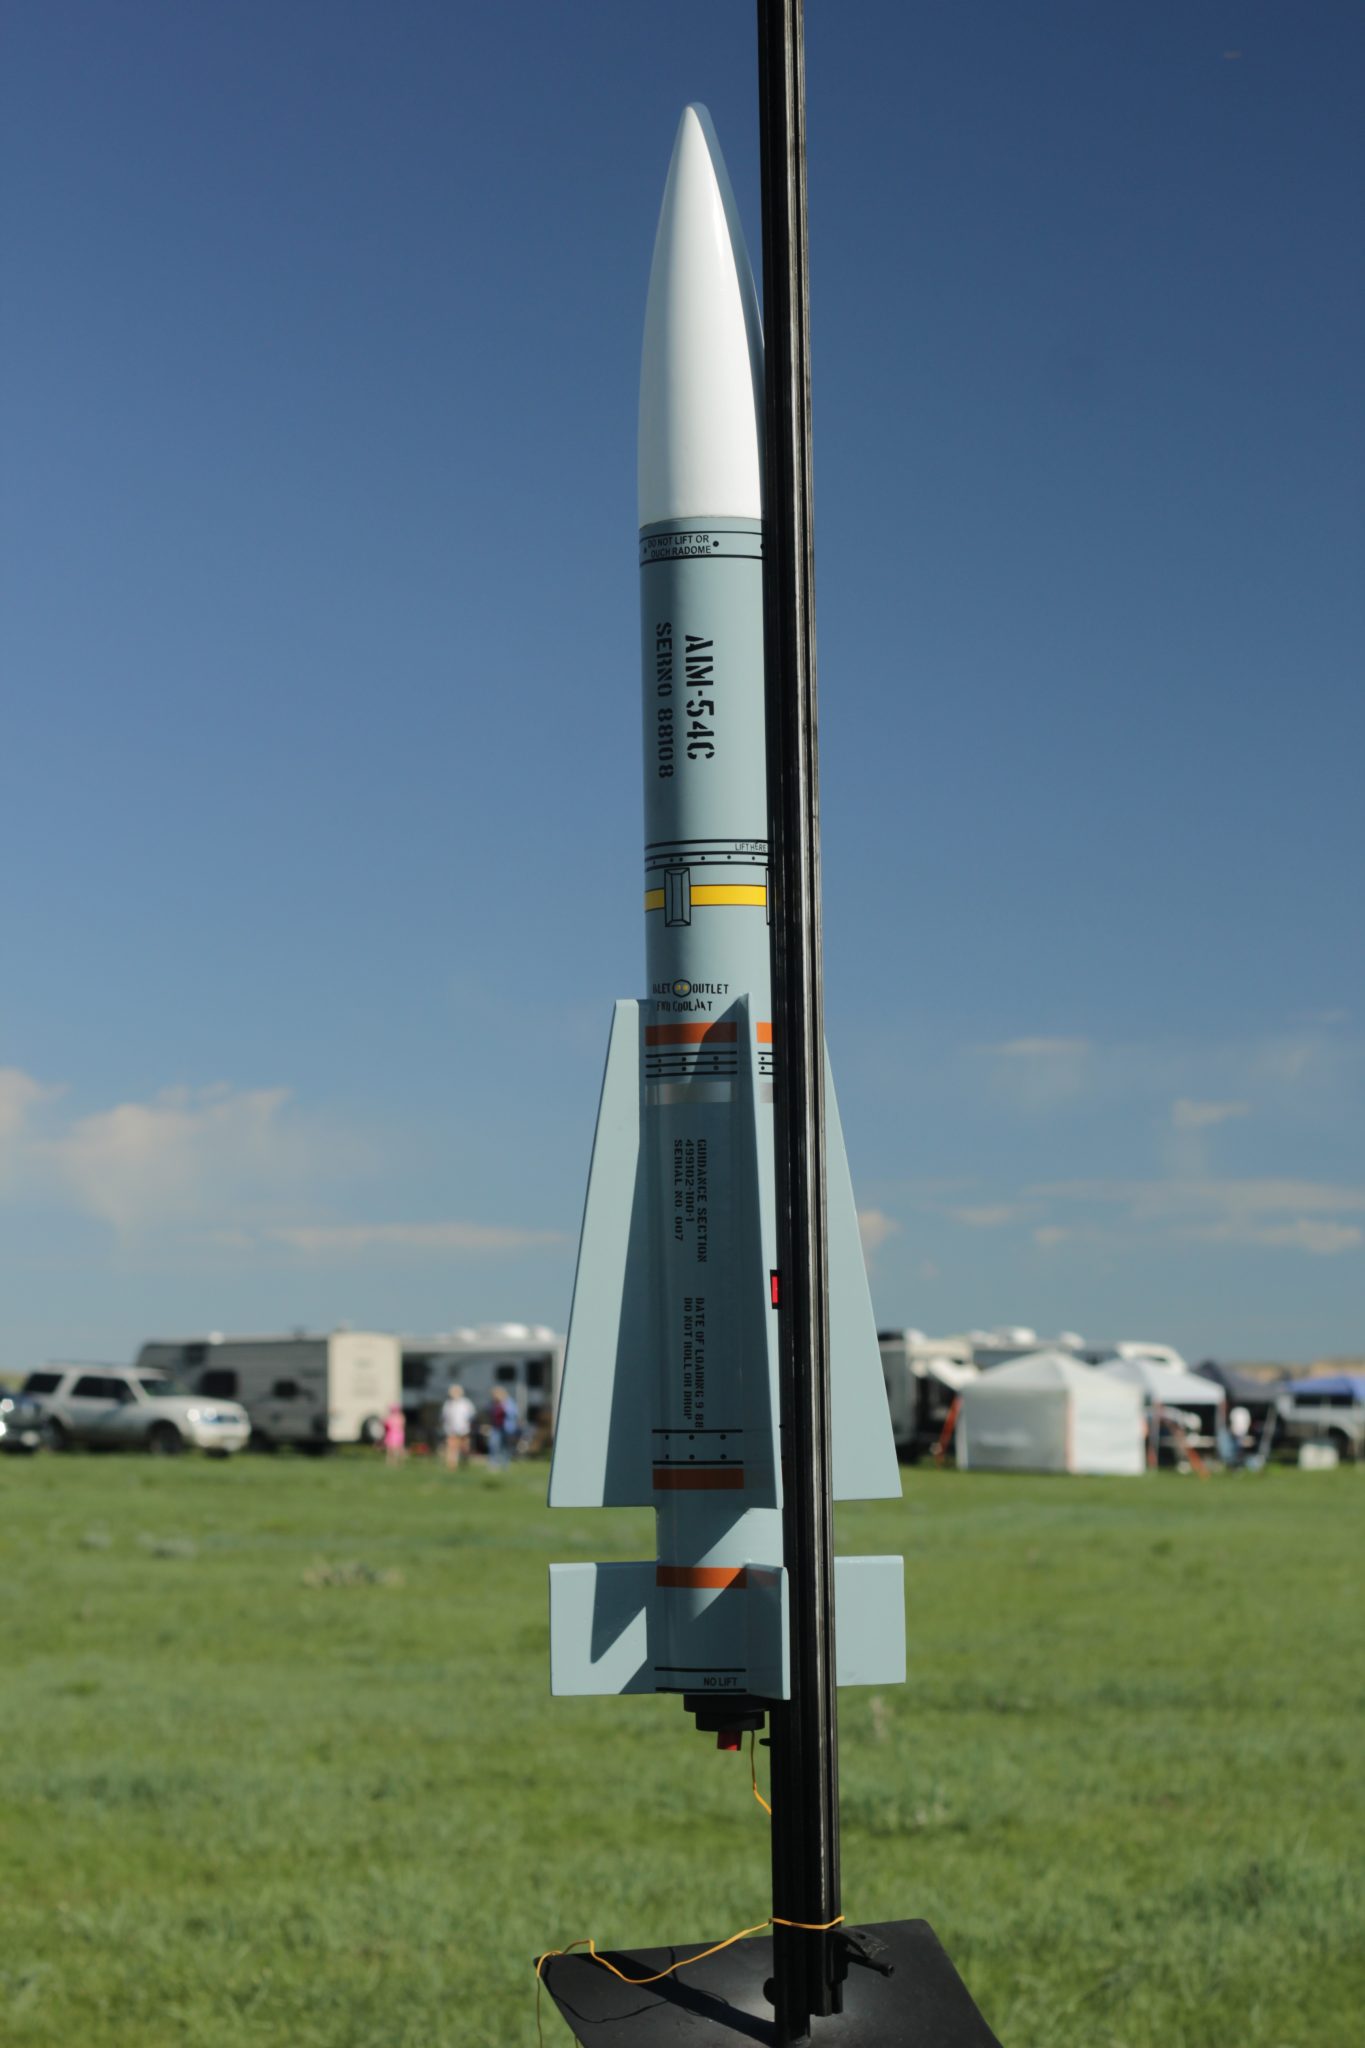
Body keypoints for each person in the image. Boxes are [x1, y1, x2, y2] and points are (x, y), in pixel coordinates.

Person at [441, 1383, 475, 1471]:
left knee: (464, 1447)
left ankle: (464, 1460)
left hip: (464, 1429)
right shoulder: (448, 1404)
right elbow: (444, 1416)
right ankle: (452, 1465)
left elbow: (471, 1415)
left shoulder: (465, 1403)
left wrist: (468, 1423)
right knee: (452, 1447)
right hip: (451, 1429)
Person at [486, 1389, 509, 1469]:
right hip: (495, 1427)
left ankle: (504, 1464)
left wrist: (503, 1405)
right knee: (493, 1445)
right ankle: (493, 1463)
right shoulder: (492, 1404)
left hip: (506, 1429)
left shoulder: (508, 1403)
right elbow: (488, 1414)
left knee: (504, 1446)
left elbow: (512, 1414)